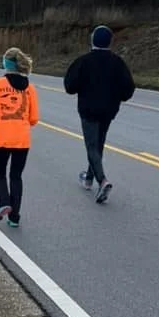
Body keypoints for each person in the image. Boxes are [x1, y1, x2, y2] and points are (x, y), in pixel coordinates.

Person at [63, 24, 135, 204]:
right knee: (98, 143)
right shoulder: (118, 63)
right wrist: (117, 96)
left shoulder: (83, 61)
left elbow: (70, 87)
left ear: (92, 40)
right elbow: (128, 89)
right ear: (110, 41)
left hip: (88, 109)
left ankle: (102, 180)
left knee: (91, 146)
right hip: (109, 110)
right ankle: (88, 178)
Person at [0, 47, 39, 229]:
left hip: (2, 136)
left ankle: (4, 202)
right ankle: (14, 217)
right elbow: (34, 118)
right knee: (16, 176)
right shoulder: (30, 88)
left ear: (5, 64)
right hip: (22, 139)